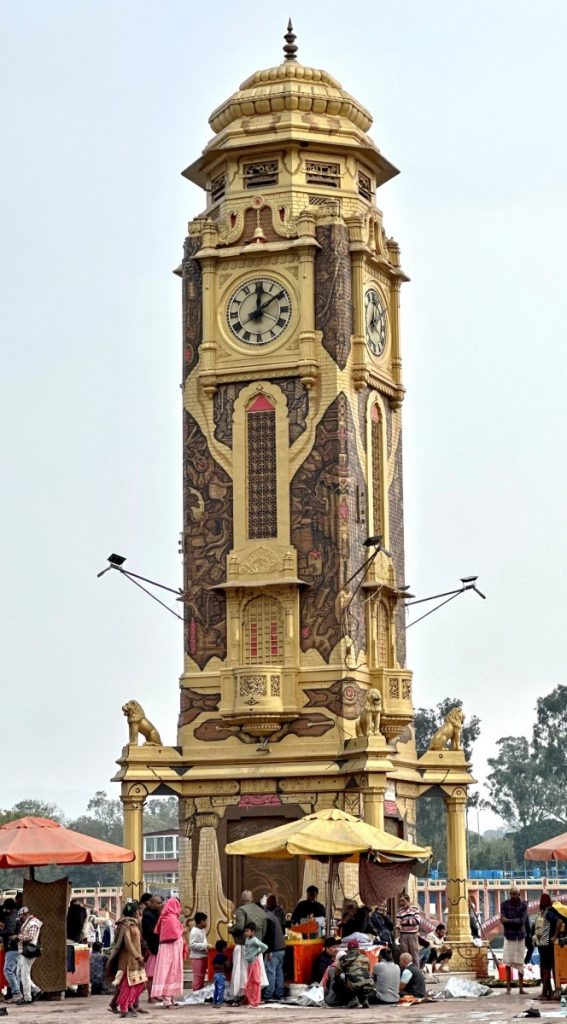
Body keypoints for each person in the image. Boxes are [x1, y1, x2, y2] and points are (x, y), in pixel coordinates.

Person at [106, 900, 147, 1018]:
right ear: (134, 913)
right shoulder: (126, 925)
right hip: (128, 961)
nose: (139, 913)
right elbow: (128, 944)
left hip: (135, 960)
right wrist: (138, 957)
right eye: (138, 911)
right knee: (127, 986)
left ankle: (128, 1005)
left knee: (140, 984)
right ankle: (124, 1009)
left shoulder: (133, 924)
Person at [228, 890, 266, 1002]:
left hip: (244, 945)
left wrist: (231, 929)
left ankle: (244, 995)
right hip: (257, 946)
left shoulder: (241, 910)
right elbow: (264, 930)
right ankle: (255, 995)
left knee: (243, 972)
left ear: (241, 899)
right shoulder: (261, 910)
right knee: (256, 972)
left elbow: (240, 927)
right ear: (252, 899)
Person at [151, 896, 186, 1008]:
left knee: (173, 973)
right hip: (169, 950)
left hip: (172, 950)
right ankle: (167, 1000)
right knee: (168, 973)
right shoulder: (170, 918)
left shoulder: (167, 917)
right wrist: (182, 930)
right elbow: (175, 933)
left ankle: (171, 998)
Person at [500, 886, 529, 995]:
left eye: (514, 894)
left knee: (520, 963)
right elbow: (503, 920)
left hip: (519, 937)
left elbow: (522, 921)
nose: (512, 896)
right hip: (509, 936)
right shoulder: (504, 904)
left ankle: (521, 988)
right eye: (511, 894)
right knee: (507, 963)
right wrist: (512, 921)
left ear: (519, 894)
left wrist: (508, 920)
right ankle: (508, 988)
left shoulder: (523, 905)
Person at [16, 906, 43, 1005]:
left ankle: (27, 998)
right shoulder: (28, 922)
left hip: (29, 951)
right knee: (19, 973)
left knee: (24, 974)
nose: (20, 919)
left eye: (21, 917)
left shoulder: (33, 923)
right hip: (24, 951)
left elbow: (31, 937)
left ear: (25, 914)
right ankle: (36, 990)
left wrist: (19, 937)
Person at [338, 939, 374, 1008]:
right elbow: (368, 971)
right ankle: (365, 999)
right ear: (358, 948)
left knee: (341, 976)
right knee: (362, 978)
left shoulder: (345, 958)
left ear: (348, 949)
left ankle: (352, 998)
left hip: (354, 986)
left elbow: (337, 971)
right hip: (369, 985)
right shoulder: (365, 957)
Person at [263, 894, 286, 1002]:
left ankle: (269, 994)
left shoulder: (267, 918)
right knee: (279, 971)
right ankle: (279, 993)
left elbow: (269, 935)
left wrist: (269, 951)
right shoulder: (272, 915)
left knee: (270, 971)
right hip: (281, 948)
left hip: (274, 950)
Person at [141, 894, 163, 1002]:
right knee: (151, 974)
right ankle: (150, 996)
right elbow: (150, 933)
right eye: (158, 903)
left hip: (156, 947)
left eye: (161, 903)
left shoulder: (154, 913)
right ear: (151, 903)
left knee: (155, 974)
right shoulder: (148, 915)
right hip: (152, 948)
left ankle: (155, 994)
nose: (160, 905)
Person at [533, 893, 554, 1000]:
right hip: (543, 944)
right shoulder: (546, 913)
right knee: (545, 969)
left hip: (546, 944)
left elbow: (559, 922)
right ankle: (549, 992)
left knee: (545, 969)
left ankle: (544, 993)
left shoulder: (548, 913)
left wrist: (554, 936)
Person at [1, 898, 22, 1002]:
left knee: (8, 970)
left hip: (12, 946)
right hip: (15, 947)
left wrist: (1, 932)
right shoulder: (15, 914)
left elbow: (10, 930)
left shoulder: (12, 916)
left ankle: (17, 993)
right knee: (13, 971)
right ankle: (17, 994)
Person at [243, 923, 268, 1008]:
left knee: (255, 981)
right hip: (249, 963)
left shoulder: (254, 940)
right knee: (250, 982)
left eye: (247, 931)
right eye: (245, 931)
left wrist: (257, 953)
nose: (246, 933)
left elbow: (265, 947)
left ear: (253, 932)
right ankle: (251, 1000)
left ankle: (255, 1001)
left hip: (254, 963)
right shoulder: (247, 939)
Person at [395, 894, 421, 963]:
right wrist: (398, 925)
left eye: (403, 901)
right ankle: (406, 969)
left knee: (414, 954)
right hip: (403, 935)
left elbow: (417, 921)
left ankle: (415, 969)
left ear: (408, 900)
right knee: (404, 955)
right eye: (400, 901)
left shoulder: (415, 909)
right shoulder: (399, 911)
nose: (401, 903)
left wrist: (403, 922)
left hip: (413, 934)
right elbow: (397, 922)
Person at [189, 911, 210, 992]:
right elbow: (192, 944)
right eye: (205, 921)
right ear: (201, 921)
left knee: (201, 977)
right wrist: (204, 946)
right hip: (197, 957)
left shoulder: (202, 930)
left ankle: (199, 993)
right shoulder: (194, 931)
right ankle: (195, 993)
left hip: (203, 956)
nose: (206, 923)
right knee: (198, 977)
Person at [212, 939, 229, 1005]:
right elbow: (227, 965)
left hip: (215, 975)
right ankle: (220, 1001)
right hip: (221, 975)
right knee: (221, 988)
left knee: (216, 988)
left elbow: (214, 965)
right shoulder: (224, 957)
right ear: (223, 949)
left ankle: (215, 1001)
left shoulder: (215, 957)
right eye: (225, 948)